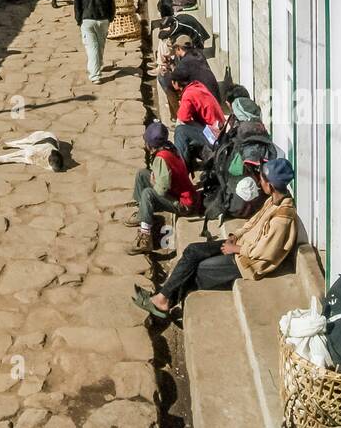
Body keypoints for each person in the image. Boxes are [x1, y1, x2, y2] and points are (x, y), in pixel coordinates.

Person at [132, 157, 298, 319]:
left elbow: (266, 251)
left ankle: (163, 300)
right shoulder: (272, 201)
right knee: (192, 251)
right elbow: (251, 224)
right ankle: (163, 297)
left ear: (270, 185)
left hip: (247, 262)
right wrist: (235, 236)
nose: (260, 182)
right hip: (241, 245)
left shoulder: (282, 218)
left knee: (198, 271)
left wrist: (236, 249)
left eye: (262, 179)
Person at [126, 121, 202, 255]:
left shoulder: (161, 158)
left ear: (151, 145)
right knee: (142, 174)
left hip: (184, 203)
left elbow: (161, 190)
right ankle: (142, 213)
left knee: (147, 193)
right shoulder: (169, 147)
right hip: (177, 193)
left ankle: (146, 237)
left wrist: (154, 181)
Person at [172, 61, 227, 168]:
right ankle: (187, 164)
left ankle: (178, 168)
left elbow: (182, 118)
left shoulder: (188, 94)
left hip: (213, 135)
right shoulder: (197, 86)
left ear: (176, 83)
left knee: (180, 131)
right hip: (217, 129)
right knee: (186, 133)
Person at [73, 0, 116, 84]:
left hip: (87, 19)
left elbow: (77, 5)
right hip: (103, 19)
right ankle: (99, 64)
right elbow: (111, 3)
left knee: (92, 47)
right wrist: (110, 17)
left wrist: (79, 20)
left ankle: (95, 75)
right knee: (100, 45)